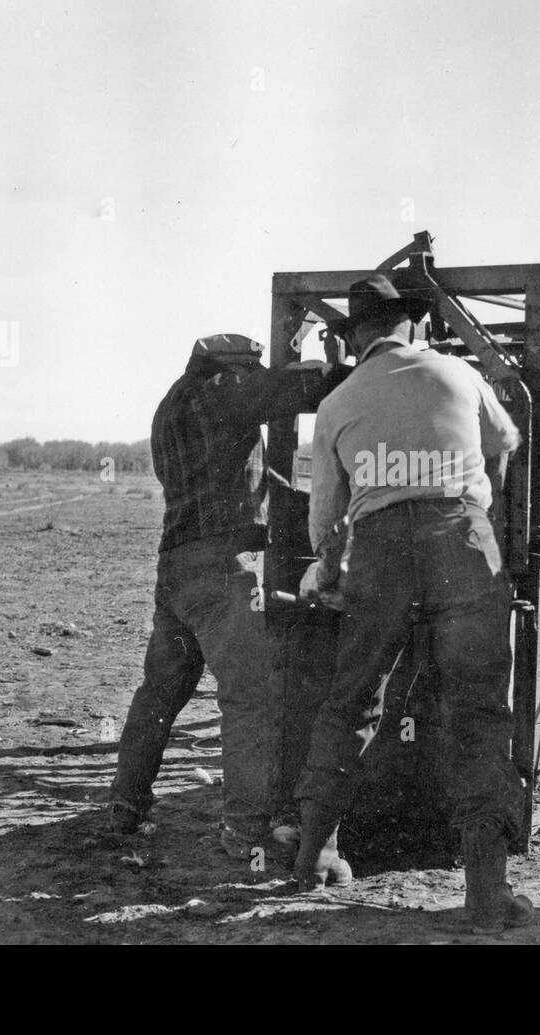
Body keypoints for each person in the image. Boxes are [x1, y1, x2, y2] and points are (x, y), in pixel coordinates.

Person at [292, 273, 535, 935]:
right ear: (412, 324)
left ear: (357, 336)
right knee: (479, 706)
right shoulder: (459, 374)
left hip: (378, 551)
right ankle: (486, 894)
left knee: (352, 698)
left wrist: (331, 567)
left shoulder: (340, 401)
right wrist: (493, 531)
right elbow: (505, 446)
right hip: (461, 539)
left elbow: (325, 516)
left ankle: (313, 858)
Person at [108, 332, 348, 859]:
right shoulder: (220, 391)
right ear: (230, 369)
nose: (254, 377)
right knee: (251, 698)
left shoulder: (172, 404)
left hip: (176, 565)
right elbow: (293, 392)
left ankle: (125, 807)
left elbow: (233, 478)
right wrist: (338, 370)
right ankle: (244, 832)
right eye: (251, 369)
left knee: (159, 694)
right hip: (220, 570)